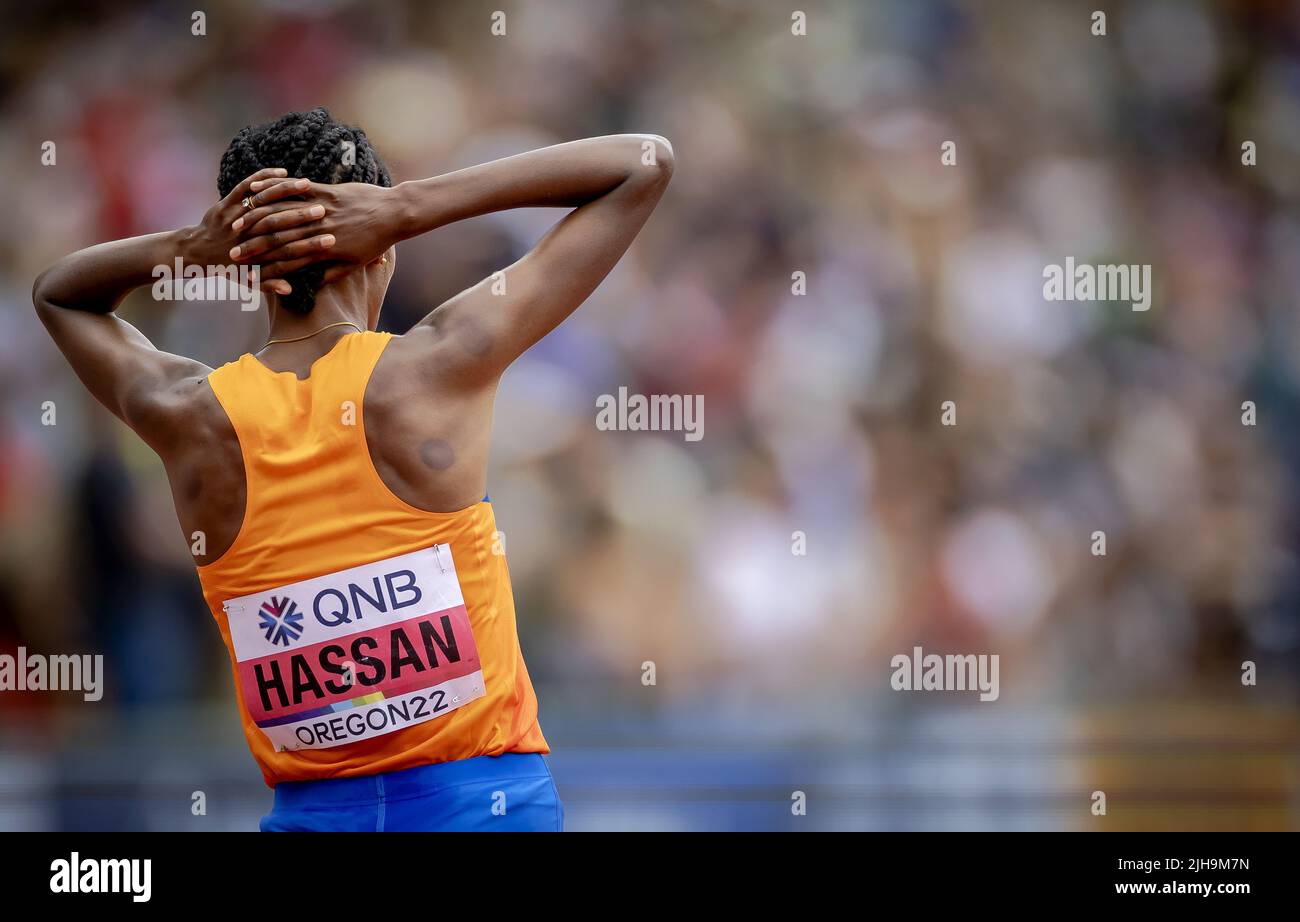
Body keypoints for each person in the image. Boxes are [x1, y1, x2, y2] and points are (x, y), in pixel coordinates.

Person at [32, 108, 673, 831]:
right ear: (382, 251)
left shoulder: (191, 416)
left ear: (251, 274)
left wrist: (196, 245)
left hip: (311, 817)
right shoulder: (434, 370)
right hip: (483, 808)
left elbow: (59, 293)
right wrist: (406, 209)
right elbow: (642, 163)